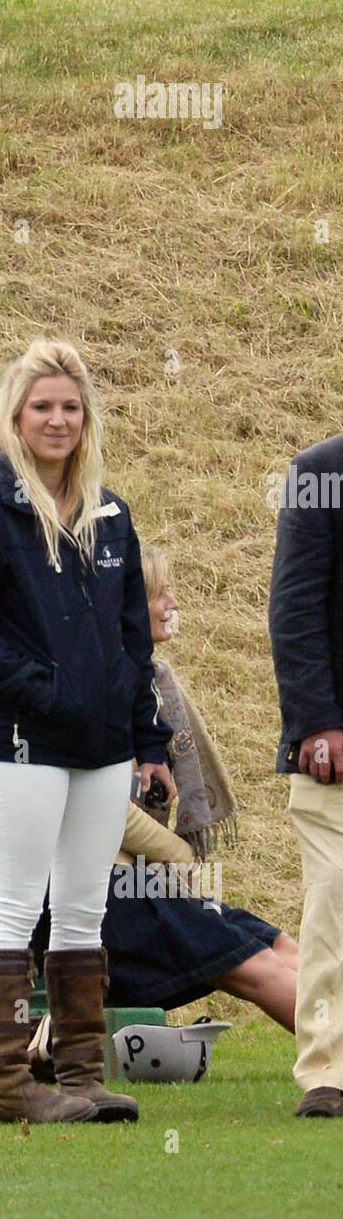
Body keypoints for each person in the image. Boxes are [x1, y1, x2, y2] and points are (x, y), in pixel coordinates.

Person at [0, 337, 174, 1124]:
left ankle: (79, 1074)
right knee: (14, 901)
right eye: (42, 406)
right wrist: (45, 692)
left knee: (83, 909)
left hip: (102, 745)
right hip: (19, 740)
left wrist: (147, 738)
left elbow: (134, 638)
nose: (58, 420)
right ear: (15, 416)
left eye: (71, 407)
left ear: (87, 417)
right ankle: (9, 1085)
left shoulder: (111, 512)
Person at [28, 546, 298, 1071]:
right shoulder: (94, 683)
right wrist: (179, 857)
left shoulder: (137, 680)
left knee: (279, 946)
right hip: (102, 889)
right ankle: (332, 1058)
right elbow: (96, 803)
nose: (173, 604)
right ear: (128, 605)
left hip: (138, 880)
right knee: (256, 967)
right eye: (159, 594)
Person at [270, 433, 343, 1117]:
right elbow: (294, 607)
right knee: (334, 904)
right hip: (335, 751)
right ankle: (329, 1071)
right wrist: (317, 721)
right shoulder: (320, 474)